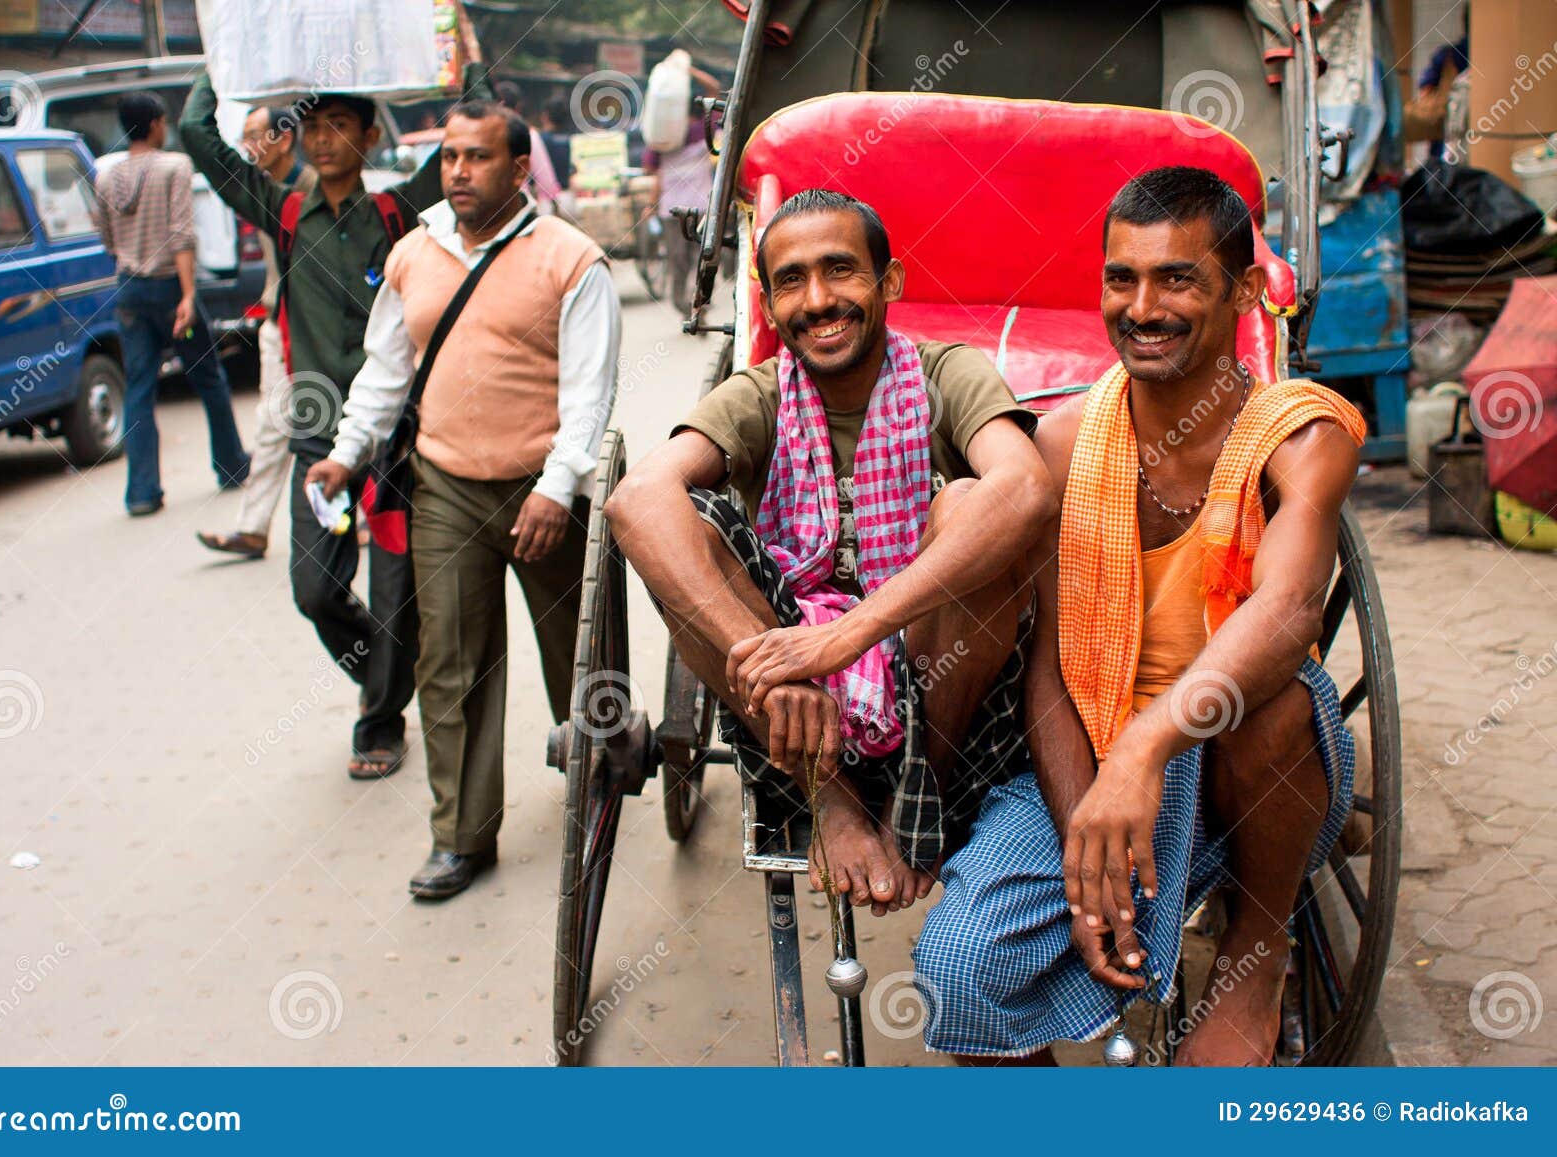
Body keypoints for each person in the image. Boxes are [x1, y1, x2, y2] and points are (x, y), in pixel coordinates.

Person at [914, 166, 1367, 1065]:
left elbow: (1284, 612)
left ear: (1241, 291)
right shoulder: (1065, 438)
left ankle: (1258, 938)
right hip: (1093, 746)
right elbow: (1048, 668)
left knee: (1268, 695)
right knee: (955, 969)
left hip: (1241, 763)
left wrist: (1148, 744)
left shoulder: (1300, 433)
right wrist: (1090, 841)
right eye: (1122, 277)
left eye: (1178, 278)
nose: (1143, 305)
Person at [606, 188, 1053, 913]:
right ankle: (836, 805)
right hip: (789, 719)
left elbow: (1026, 488)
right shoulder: (760, 394)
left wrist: (843, 637)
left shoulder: (947, 373)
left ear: (890, 282)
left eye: (840, 270)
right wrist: (778, 672)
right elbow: (636, 500)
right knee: (687, 520)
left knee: (974, 506)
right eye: (790, 280)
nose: (817, 300)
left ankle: (920, 797)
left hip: (948, 703)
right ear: (770, 300)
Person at [306, 100, 620, 900]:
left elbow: (589, 392)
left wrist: (557, 487)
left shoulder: (571, 258)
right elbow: (386, 369)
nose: (458, 172)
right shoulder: (415, 250)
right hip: (444, 483)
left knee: (576, 654)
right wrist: (344, 455)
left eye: (478, 158)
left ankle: (600, 773)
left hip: (545, 485)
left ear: (519, 170)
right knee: (452, 664)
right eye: (450, 157)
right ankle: (462, 835)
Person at [180, 63, 492, 780]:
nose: (321, 141)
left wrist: (460, 57)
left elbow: (467, 131)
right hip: (321, 439)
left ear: (369, 136)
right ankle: (390, 677)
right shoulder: (285, 212)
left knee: (394, 593)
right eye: (311, 127)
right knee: (315, 588)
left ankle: (379, 717)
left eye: (338, 126)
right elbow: (201, 137)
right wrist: (224, 60)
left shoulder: (398, 211)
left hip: (394, 439)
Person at [90, 91, 249, 516]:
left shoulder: (105, 176)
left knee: (139, 386)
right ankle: (231, 464)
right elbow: (181, 232)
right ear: (157, 124)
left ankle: (142, 492)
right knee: (209, 378)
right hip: (170, 289)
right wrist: (189, 295)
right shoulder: (173, 167)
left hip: (129, 289)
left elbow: (105, 237)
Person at [197, 107, 318, 559]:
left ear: (283, 139)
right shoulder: (260, 189)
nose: (247, 145)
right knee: (273, 423)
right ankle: (252, 527)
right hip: (278, 323)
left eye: (253, 135)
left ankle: (361, 516)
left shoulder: (312, 190)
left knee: (340, 420)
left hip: (318, 326)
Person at [641, 64, 721, 315]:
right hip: (692, 209)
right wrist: (689, 71)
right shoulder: (692, 133)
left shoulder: (680, 135)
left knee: (683, 260)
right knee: (695, 258)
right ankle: (694, 303)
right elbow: (714, 89)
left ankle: (692, 302)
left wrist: (685, 70)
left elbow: (651, 172)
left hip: (682, 210)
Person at [493, 81, 563, 211]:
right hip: (517, 207)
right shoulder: (529, 134)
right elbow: (546, 181)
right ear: (518, 107)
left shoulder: (481, 135)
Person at [539, 96, 571, 190]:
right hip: (567, 194)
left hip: (545, 195)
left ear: (545, 116)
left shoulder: (540, 140)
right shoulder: (570, 140)